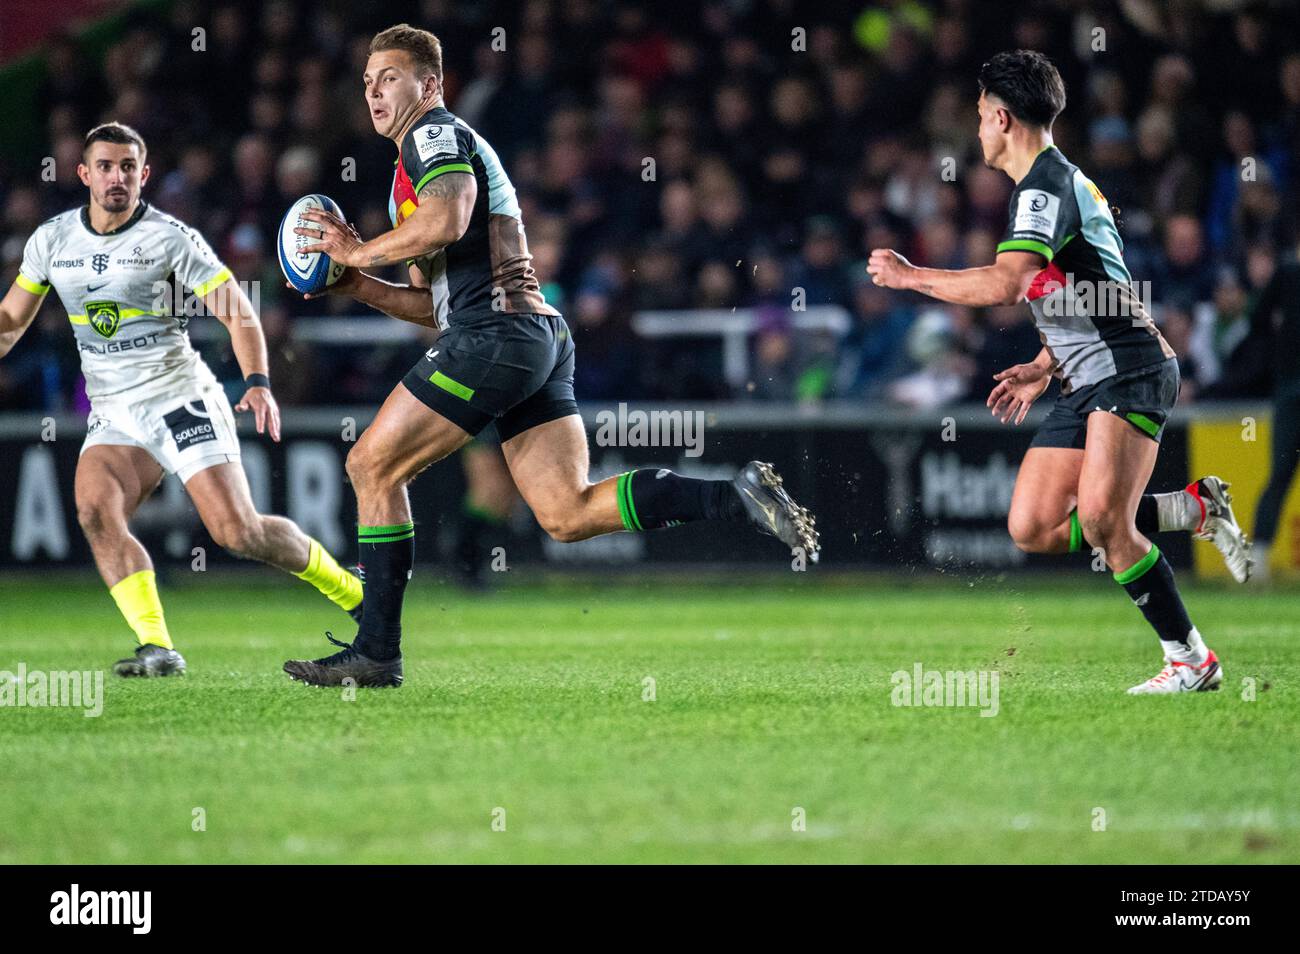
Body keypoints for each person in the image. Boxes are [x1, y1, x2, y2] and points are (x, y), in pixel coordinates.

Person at [282, 24, 818, 688]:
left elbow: (448, 220)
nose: (374, 90)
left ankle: (378, 651)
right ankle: (735, 498)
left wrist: (359, 250)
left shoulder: (434, 135)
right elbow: (431, 303)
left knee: (370, 465)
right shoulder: (408, 176)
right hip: (529, 335)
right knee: (565, 513)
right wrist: (358, 282)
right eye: (367, 81)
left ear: (430, 84)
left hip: (495, 335)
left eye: (389, 76)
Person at [867, 51, 1250, 694]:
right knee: (1034, 526)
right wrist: (1048, 362)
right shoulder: (1057, 185)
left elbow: (1010, 283)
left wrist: (912, 277)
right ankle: (1194, 509)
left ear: (1003, 116)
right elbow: (1095, 287)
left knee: (1103, 523)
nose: (979, 130)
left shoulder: (1046, 186)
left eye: (983, 117)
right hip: (1082, 374)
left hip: (1130, 369)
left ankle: (1192, 660)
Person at [0, 123, 363, 677]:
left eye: (127, 168)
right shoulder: (51, 241)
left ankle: (353, 592)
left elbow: (238, 311)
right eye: (104, 166)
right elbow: (10, 320)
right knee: (96, 511)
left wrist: (259, 382)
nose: (116, 177)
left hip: (179, 396)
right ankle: (157, 646)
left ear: (143, 175)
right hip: (114, 412)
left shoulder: (170, 238)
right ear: (84, 173)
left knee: (237, 532)